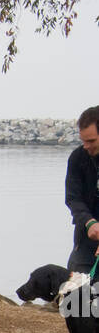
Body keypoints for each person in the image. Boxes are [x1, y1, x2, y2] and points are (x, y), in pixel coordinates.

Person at [65, 106, 99, 272]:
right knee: (77, 292)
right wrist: (89, 222)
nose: (86, 146)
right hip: (86, 235)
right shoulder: (78, 157)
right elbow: (73, 198)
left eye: (91, 141)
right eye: (83, 140)